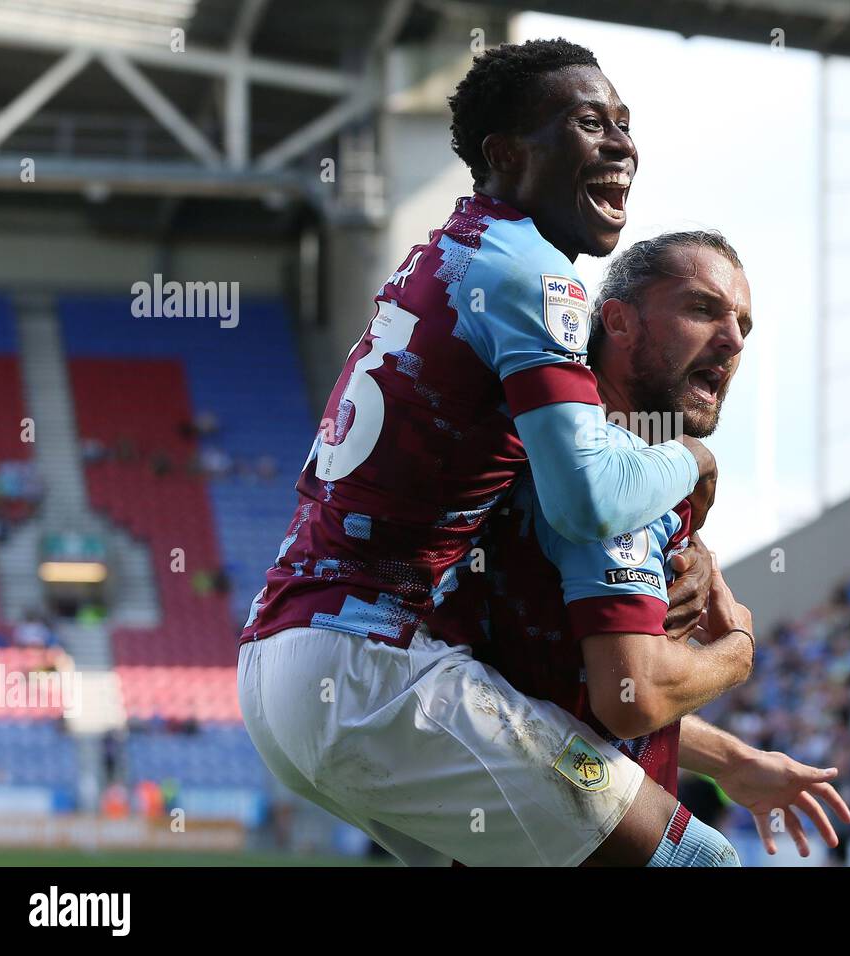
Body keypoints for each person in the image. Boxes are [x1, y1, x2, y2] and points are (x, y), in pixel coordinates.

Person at [239, 39, 721, 867]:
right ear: (504, 155)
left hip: (292, 664)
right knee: (700, 862)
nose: (619, 143)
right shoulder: (533, 272)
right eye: (586, 122)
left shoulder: (448, 254)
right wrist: (694, 462)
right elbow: (588, 500)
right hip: (370, 672)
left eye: (623, 123)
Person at [476, 232, 850, 865]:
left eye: (744, 324)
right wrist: (737, 653)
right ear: (617, 320)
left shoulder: (599, 460)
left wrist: (730, 760)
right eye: (703, 309)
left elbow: (574, 689)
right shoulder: (610, 470)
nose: (733, 341)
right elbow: (633, 695)